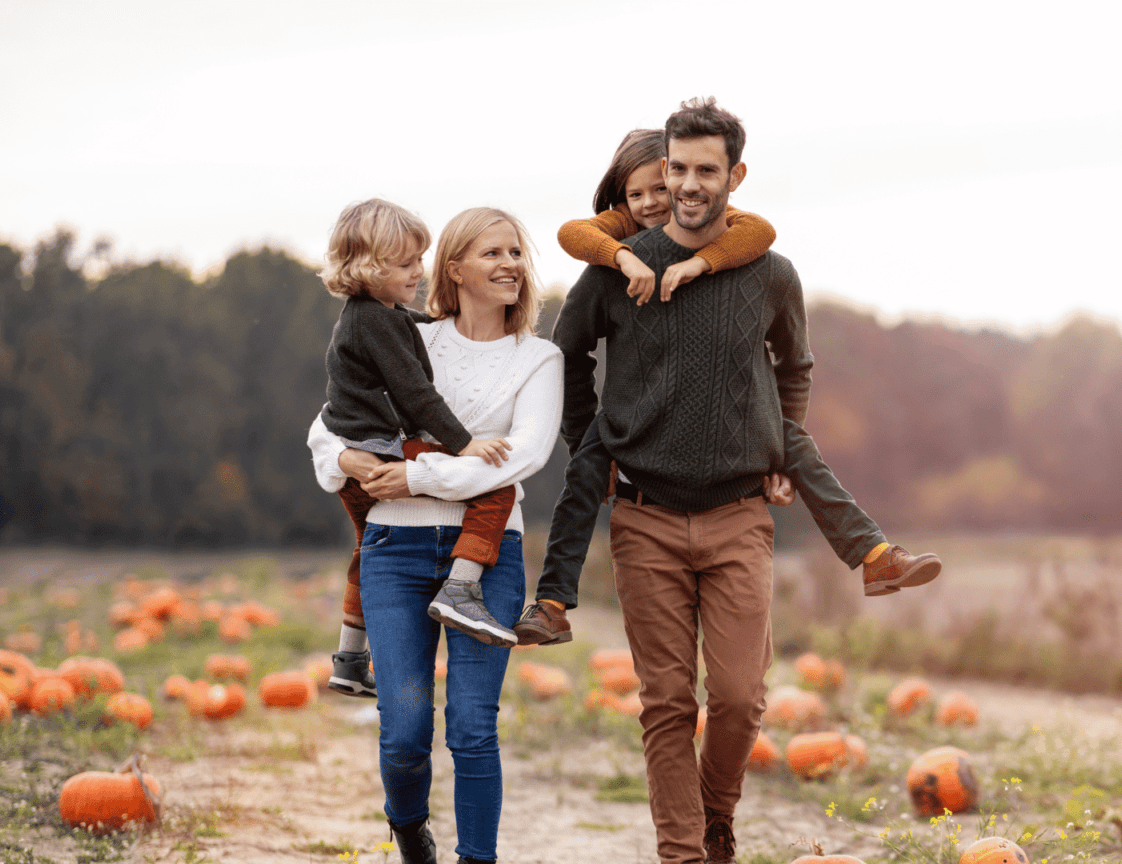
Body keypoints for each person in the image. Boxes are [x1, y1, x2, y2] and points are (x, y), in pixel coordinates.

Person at [553, 96, 852, 864]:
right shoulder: (612, 273)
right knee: (666, 703)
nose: (685, 184)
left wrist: (784, 450)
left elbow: (796, 365)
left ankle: (716, 811)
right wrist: (590, 440)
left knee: (743, 698)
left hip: (739, 515)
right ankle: (684, 852)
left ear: (734, 175)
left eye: (702, 170)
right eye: (674, 169)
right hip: (644, 517)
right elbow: (568, 354)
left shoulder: (771, 273)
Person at [514, 128, 940, 649]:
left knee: (798, 447)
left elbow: (762, 232)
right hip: (631, 430)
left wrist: (699, 262)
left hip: (740, 443)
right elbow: (572, 241)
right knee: (581, 475)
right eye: (637, 193)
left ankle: (875, 556)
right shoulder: (617, 239)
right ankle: (553, 603)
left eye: (661, 188)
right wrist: (584, 437)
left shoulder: (738, 240)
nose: (651, 202)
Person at [308, 206, 562, 864]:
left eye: (516, 252)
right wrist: (347, 462)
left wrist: (414, 476)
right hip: (396, 552)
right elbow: (327, 425)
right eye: (492, 252)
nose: (510, 263)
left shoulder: (539, 358)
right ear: (455, 268)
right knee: (405, 733)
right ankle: (408, 829)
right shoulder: (408, 333)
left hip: (488, 554)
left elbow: (521, 456)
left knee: (474, 728)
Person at [317, 199, 522, 700]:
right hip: (378, 450)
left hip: (359, 448)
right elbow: (415, 394)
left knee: (367, 550)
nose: (419, 271)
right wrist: (465, 444)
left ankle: (348, 659)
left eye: (420, 259)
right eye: (407, 263)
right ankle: (461, 588)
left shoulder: (374, 316)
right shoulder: (378, 322)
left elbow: (409, 333)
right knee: (497, 490)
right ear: (370, 267)